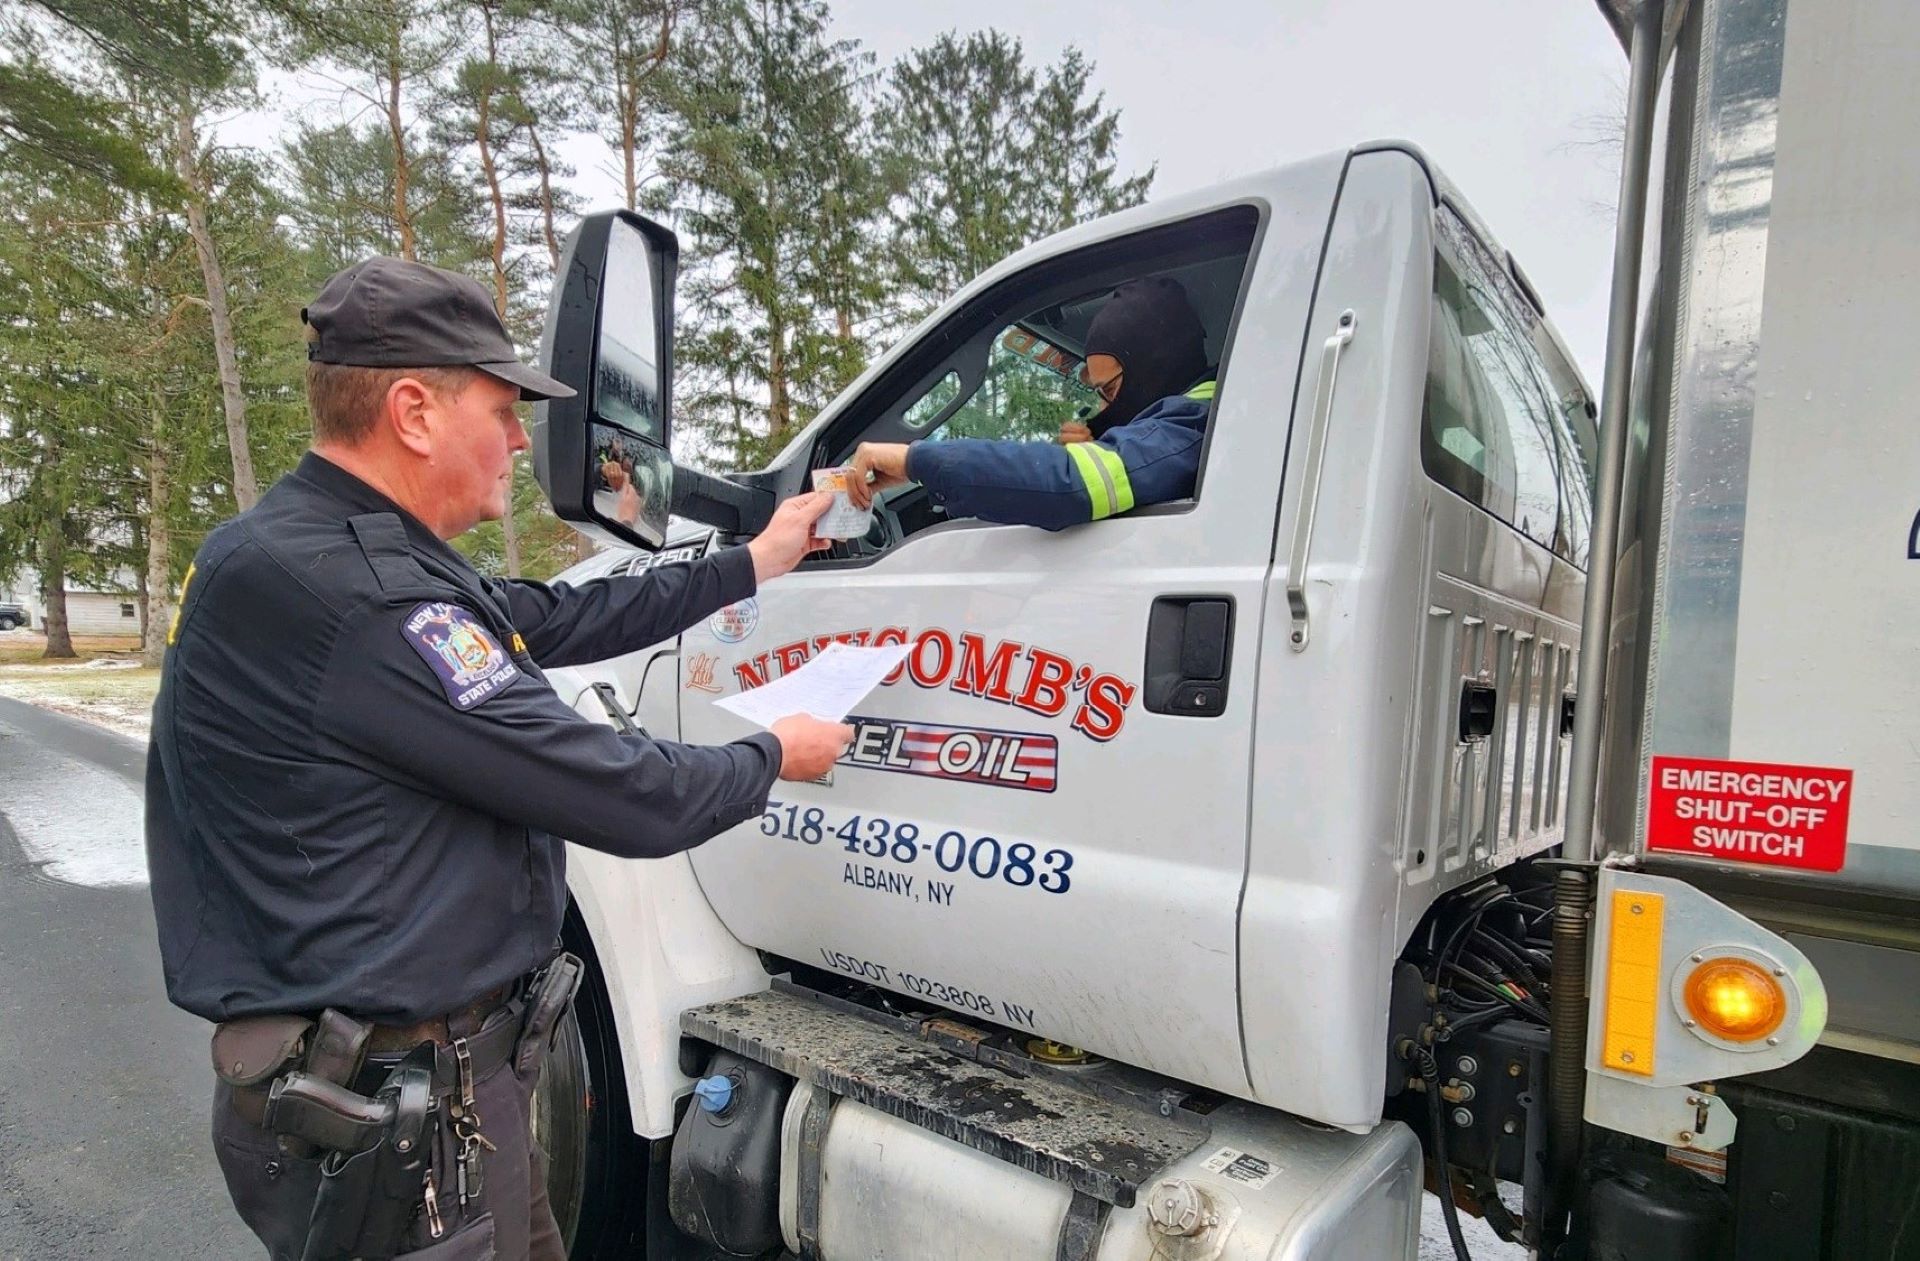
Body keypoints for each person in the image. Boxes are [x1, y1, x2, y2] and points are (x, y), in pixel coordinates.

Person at [146, 256, 854, 1261]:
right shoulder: (371, 602)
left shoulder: (302, 550)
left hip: (422, 1092)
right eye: (503, 407)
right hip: (403, 1115)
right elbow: (623, 791)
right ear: (413, 411)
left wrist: (757, 559)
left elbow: (557, 614)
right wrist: (775, 750)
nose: (521, 438)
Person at [847, 277, 1217, 529]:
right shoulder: (1187, 421)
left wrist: (915, 459)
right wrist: (1100, 447)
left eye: (1111, 388)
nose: (1106, 405)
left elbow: (1068, 485)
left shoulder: (1197, 423)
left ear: (1156, 364)